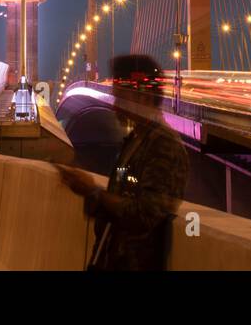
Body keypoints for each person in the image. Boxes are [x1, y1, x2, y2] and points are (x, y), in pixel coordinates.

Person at [54, 55, 188, 271]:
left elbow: (145, 215)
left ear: (143, 97)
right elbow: (115, 203)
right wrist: (87, 191)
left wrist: (94, 191)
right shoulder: (134, 142)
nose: (115, 108)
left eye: (120, 98)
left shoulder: (164, 146)